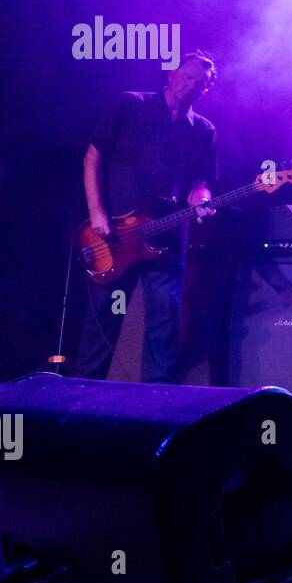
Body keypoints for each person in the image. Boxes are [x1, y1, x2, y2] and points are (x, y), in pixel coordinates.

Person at [76, 50, 218, 383]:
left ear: (205, 91)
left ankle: (158, 402)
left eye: (201, 84)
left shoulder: (203, 131)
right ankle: (82, 392)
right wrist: (97, 213)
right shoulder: (130, 105)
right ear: (172, 74)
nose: (192, 86)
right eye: (188, 77)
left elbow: (199, 185)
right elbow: (92, 158)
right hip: (115, 234)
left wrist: (202, 202)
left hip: (167, 238)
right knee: (106, 315)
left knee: (164, 322)